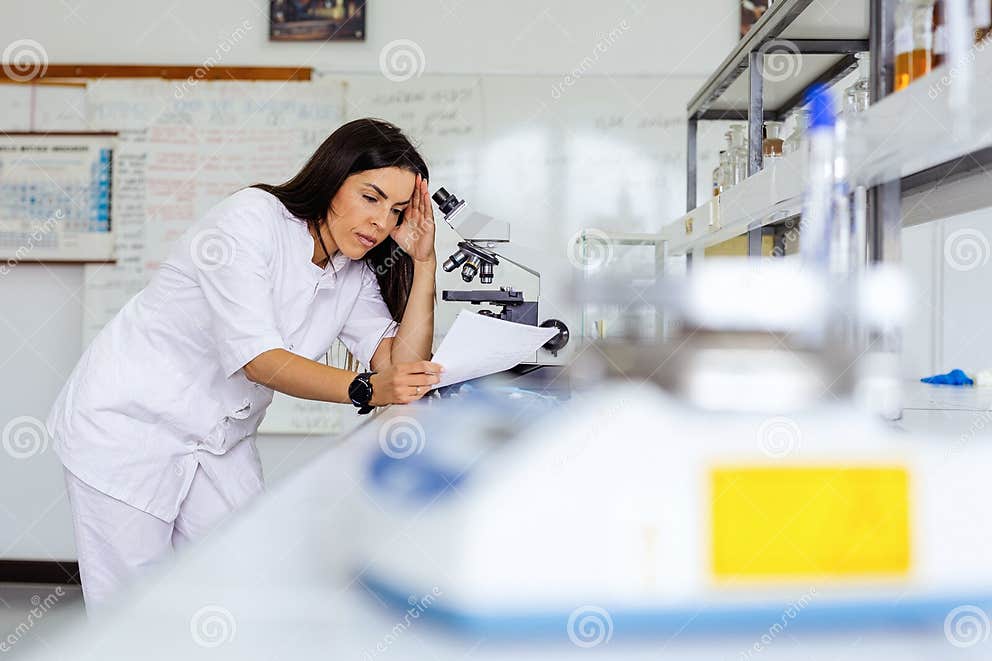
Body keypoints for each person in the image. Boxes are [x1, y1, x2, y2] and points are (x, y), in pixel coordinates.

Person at [45, 118, 443, 611]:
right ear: (332, 178)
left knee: (250, 586)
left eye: (398, 211)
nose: (383, 222)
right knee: (134, 612)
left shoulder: (352, 269)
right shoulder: (250, 220)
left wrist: (424, 263)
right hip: (128, 428)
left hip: (217, 444)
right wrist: (367, 389)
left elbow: (402, 366)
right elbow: (259, 361)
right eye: (371, 197)